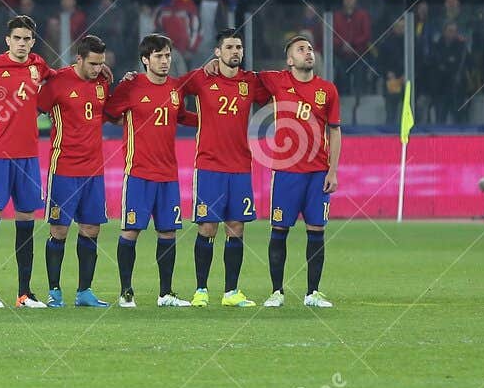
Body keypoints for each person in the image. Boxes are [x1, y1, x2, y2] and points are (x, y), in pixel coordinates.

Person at [181, 28, 272, 308]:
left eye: (239, 47)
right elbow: (169, 91)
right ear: (217, 52)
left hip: (240, 167)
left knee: (236, 228)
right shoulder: (201, 78)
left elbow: (277, 88)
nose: (235, 52)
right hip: (209, 166)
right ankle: (201, 290)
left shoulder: (250, 81)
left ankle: (231, 292)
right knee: (207, 227)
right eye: (229, 47)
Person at [253, 35, 343, 308]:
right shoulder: (276, 80)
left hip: (318, 173)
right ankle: (277, 291)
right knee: (279, 230)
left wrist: (333, 171)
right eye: (301, 49)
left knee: (317, 231)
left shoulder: (327, 90)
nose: (308, 52)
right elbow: (243, 77)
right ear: (290, 60)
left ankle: (312, 293)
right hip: (286, 172)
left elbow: (335, 131)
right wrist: (214, 66)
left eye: (310, 49)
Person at [0, 14, 51, 308]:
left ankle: (24, 293)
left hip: (28, 157)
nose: (22, 43)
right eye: (17, 38)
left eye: (27, 39)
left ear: (33, 41)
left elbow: (61, 79)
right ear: (7, 40)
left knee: (26, 224)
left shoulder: (38, 66)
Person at [103, 34, 191, 308]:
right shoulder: (131, 86)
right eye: (159, 56)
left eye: (167, 56)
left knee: (168, 233)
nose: (165, 61)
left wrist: (211, 121)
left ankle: (165, 293)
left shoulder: (176, 89)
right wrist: (125, 120)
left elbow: (182, 117)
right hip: (139, 173)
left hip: (168, 175)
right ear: (145, 60)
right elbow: (109, 111)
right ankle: (126, 291)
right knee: (131, 232)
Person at [37, 35, 112, 308]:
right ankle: (54, 291)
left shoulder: (103, 82)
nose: (97, 69)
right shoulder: (57, 83)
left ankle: (84, 292)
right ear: (78, 59)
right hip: (64, 169)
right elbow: (33, 110)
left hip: (94, 170)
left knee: (91, 229)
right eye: (92, 63)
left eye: (101, 63)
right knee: (59, 230)